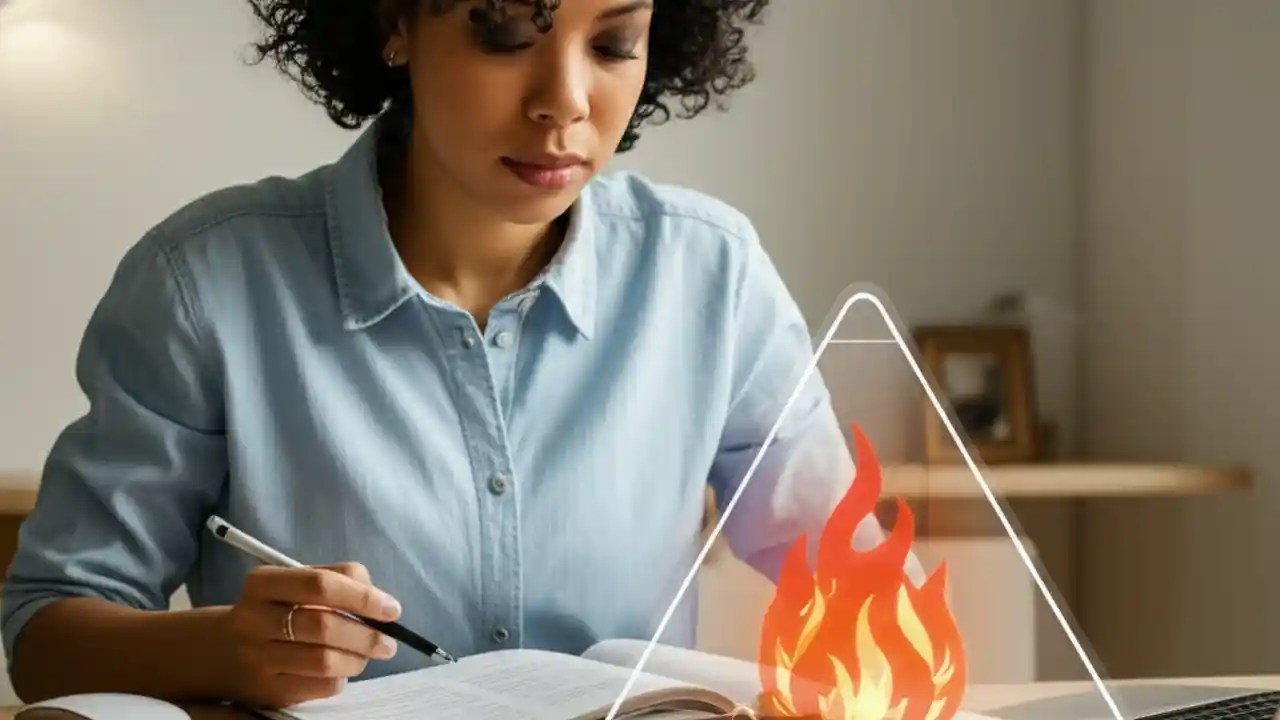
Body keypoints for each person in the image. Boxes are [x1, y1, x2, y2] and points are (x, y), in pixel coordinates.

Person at [2, 0, 919, 710]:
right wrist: (224, 649)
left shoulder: (711, 273)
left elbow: (857, 580)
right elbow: (45, 632)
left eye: (613, 44)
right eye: (504, 32)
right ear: (395, 23)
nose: (564, 100)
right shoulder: (205, 283)